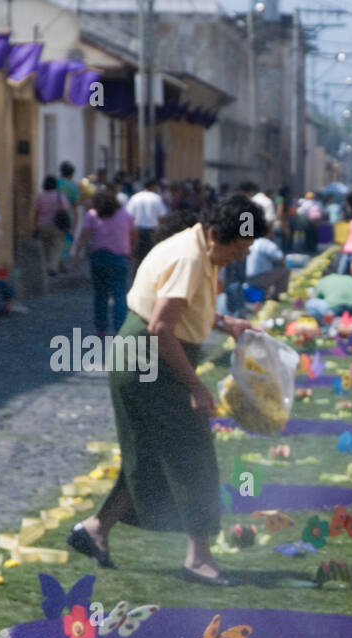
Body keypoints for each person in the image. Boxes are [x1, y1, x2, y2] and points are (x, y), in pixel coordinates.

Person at [67, 194, 262, 585]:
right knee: (192, 455)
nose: (240, 258)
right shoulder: (191, 258)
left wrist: (224, 322)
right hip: (147, 363)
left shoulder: (196, 250)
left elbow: (180, 309)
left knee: (151, 457)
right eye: (237, 249)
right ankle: (198, 558)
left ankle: (96, 529)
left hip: (142, 359)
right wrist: (196, 387)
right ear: (213, 235)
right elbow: (160, 328)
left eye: (247, 250)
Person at [72, 186, 135, 336]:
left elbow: (84, 236)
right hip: (119, 257)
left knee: (100, 294)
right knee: (119, 293)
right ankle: (120, 326)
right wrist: (131, 251)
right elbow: (133, 234)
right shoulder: (125, 215)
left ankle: (101, 328)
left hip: (99, 257)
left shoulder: (92, 215)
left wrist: (76, 255)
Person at [33, 175, 71, 276]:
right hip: (57, 224)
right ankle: (53, 267)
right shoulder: (59, 195)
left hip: (43, 225)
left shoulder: (40, 196)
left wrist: (36, 225)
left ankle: (45, 266)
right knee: (57, 246)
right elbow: (66, 209)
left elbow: (36, 212)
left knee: (45, 247)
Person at [127, 180, 168, 265]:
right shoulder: (156, 198)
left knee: (138, 256)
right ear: (152, 186)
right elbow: (161, 216)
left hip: (137, 230)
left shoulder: (135, 197)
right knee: (150, 255)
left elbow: (129, 215)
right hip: (152, 230)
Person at [245, 232, 289, 299]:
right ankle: (277, 296)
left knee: (269, 272)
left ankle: (265, 295)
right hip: (259, 278)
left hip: (249, 279)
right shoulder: (266, 243)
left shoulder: (254, 242)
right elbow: (280, 258)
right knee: (285, 270)